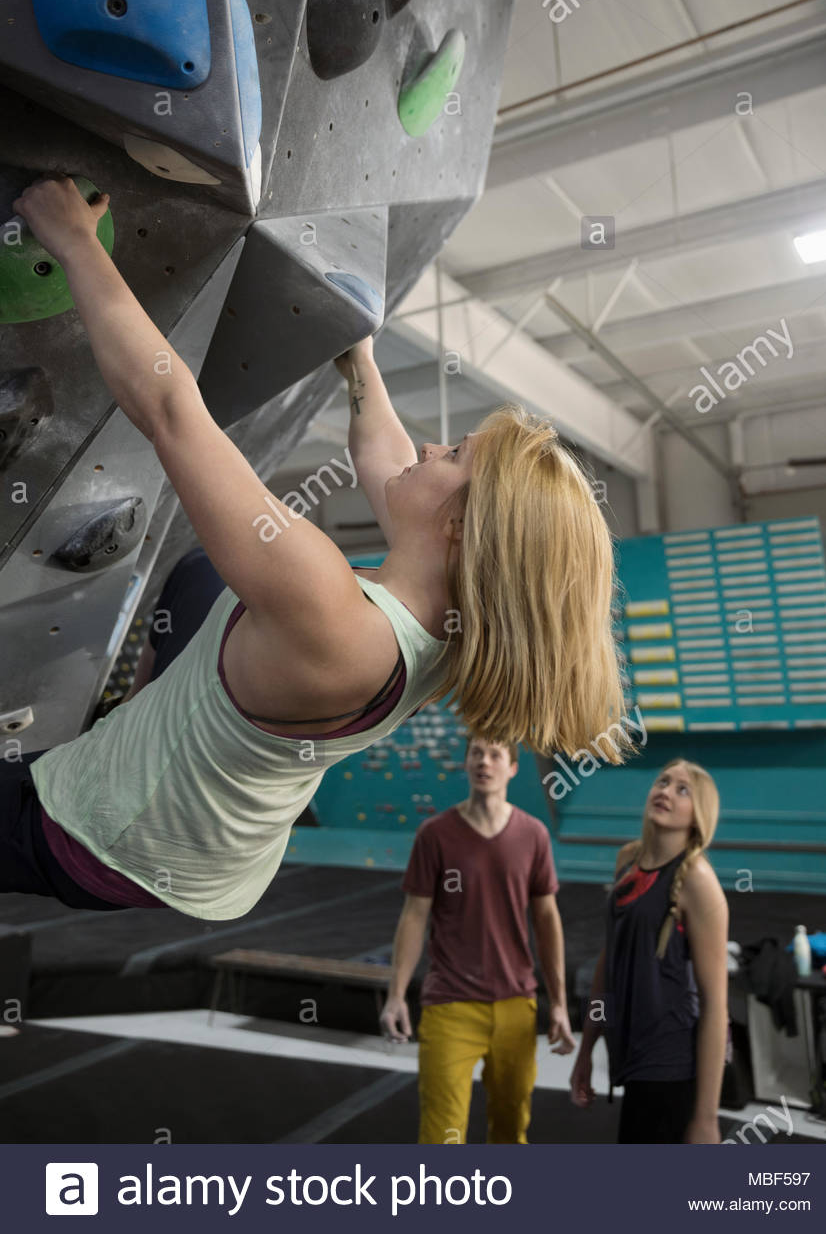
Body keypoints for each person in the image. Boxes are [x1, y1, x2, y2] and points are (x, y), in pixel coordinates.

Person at [1, 174, 626, 921]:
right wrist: (360, 360)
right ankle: (128, 709)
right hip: (226, 850)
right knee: (202, 576)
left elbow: (169, 409)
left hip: (114, 841)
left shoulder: (326, 607)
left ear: (462, 527)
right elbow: (391, 457)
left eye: (454, 453)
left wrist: (73, 241)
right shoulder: (452, 610)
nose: (429, 447)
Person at [380, 736, 575, 1144]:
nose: (484, 762)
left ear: (512, 767)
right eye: (476, 754)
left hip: (515, 1006)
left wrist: (558, 1004)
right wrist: (396, 994)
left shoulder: (533, 835)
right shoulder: (435, 834)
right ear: (466, 764)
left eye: (495, 754)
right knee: (442, 1136)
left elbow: (547, 919)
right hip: (450, 1007)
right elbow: (414, 915)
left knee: (509, 1130)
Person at [570, 759, 729, 1143]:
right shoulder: (629, 860)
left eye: (682, 790)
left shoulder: (698, 880)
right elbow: (608, 966)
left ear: (699, 814)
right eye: (662, 782)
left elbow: (715, 1006)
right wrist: (587, 1048)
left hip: (671, 1064)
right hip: (631, 1053)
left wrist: (706, 1119)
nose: (665, 792)